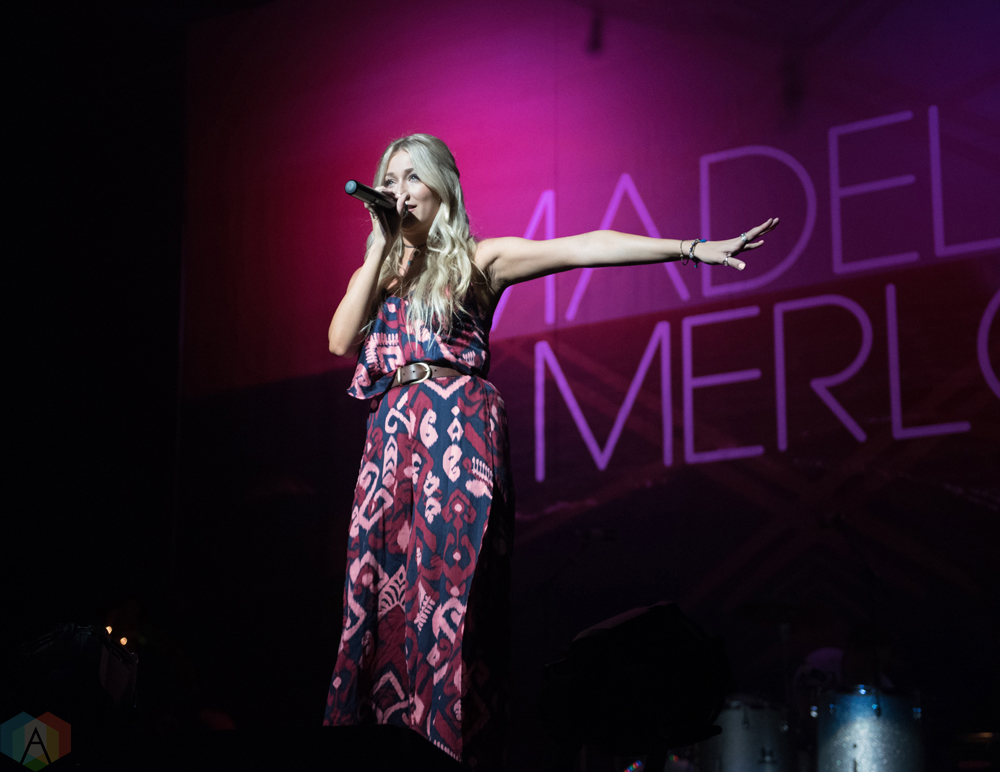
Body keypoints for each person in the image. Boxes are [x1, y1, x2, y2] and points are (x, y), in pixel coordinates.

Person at [323, 133, 778, 769]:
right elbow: (342, 339)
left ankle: (449, 752)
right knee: (379, 607)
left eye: (411, 179)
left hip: (456, 435)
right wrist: (381, 244)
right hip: (389, 443)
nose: (398, 191)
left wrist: (691, 248)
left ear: (441, 189)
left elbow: (582, 248)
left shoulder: (481, 261)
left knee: (449, 610)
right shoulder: (379, 275)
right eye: (389, 179)